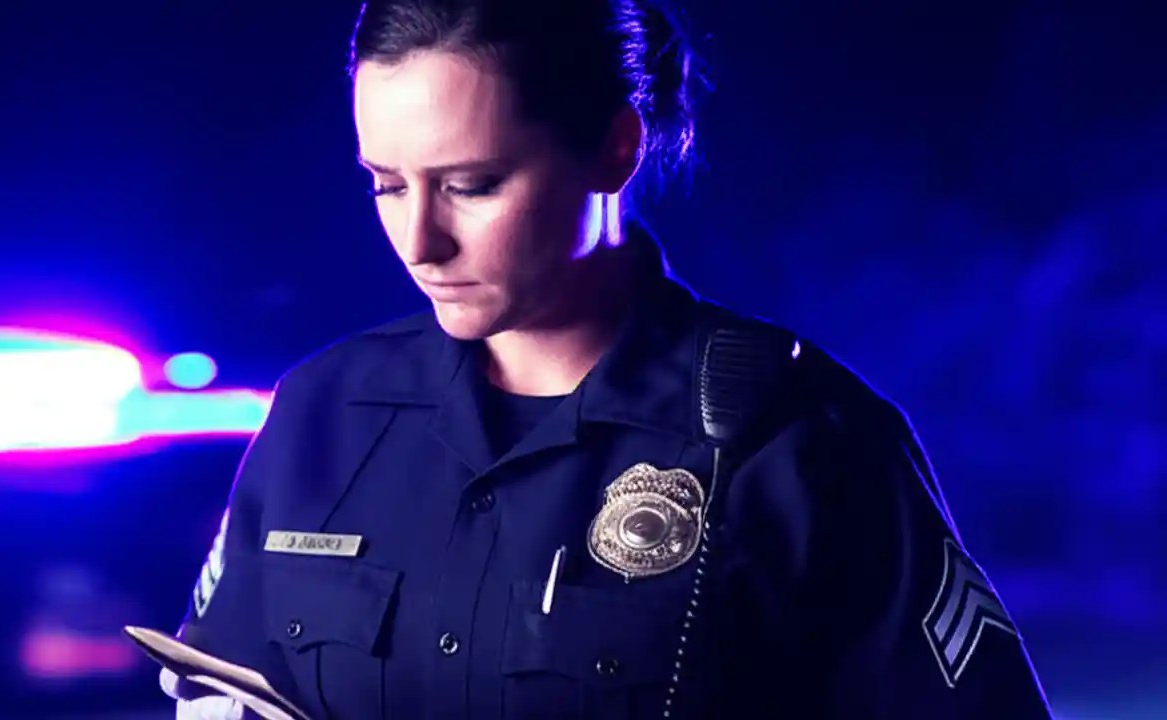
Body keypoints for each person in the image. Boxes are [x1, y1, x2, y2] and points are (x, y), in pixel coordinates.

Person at [160, 0, 1054, 717]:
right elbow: (218, 696)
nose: (420, 242)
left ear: (613, 148)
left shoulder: (800, 442)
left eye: (471, 185)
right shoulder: (319, 416)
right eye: (387, 186)